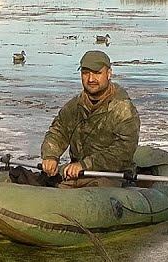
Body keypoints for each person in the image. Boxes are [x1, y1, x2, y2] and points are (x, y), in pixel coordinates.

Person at [39, 50, 139, 188]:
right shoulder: (75, 105)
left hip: (113, 176)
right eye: (86, 73)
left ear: (109, 74)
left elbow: (123, 152)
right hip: (77, 174)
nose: (91, 79)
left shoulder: (123, 110)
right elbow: (58, 131)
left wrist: (85, 165)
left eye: (97, 73)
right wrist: (50, 156)